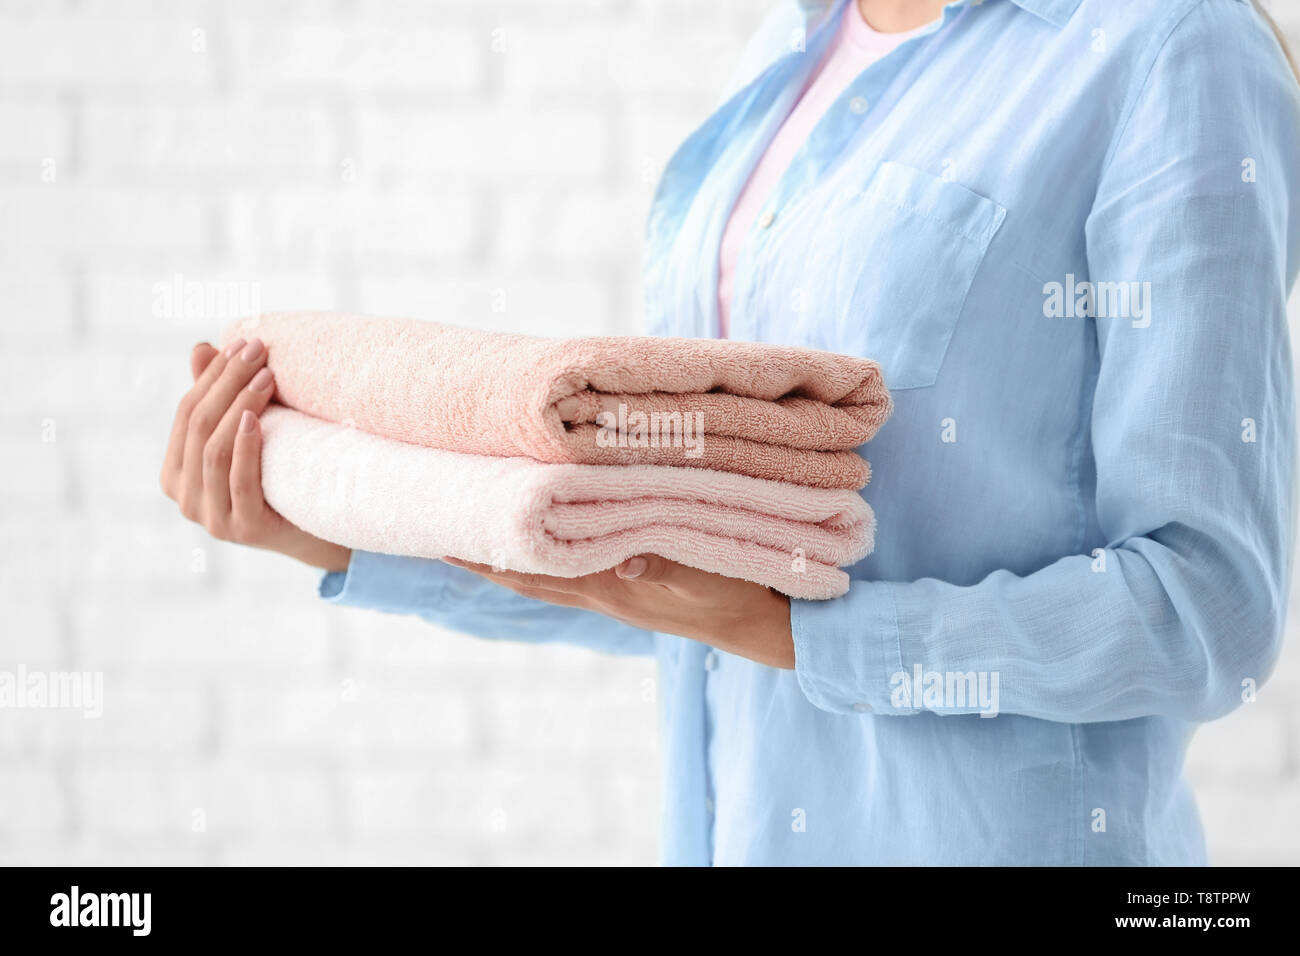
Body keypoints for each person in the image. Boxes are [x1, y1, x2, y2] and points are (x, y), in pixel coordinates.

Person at [161, 0, 1300, 865]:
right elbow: (684, 574)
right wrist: (341, 528)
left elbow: (1210, 608)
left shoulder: (1169, 47)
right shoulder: (786, 55)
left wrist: (809, 635)